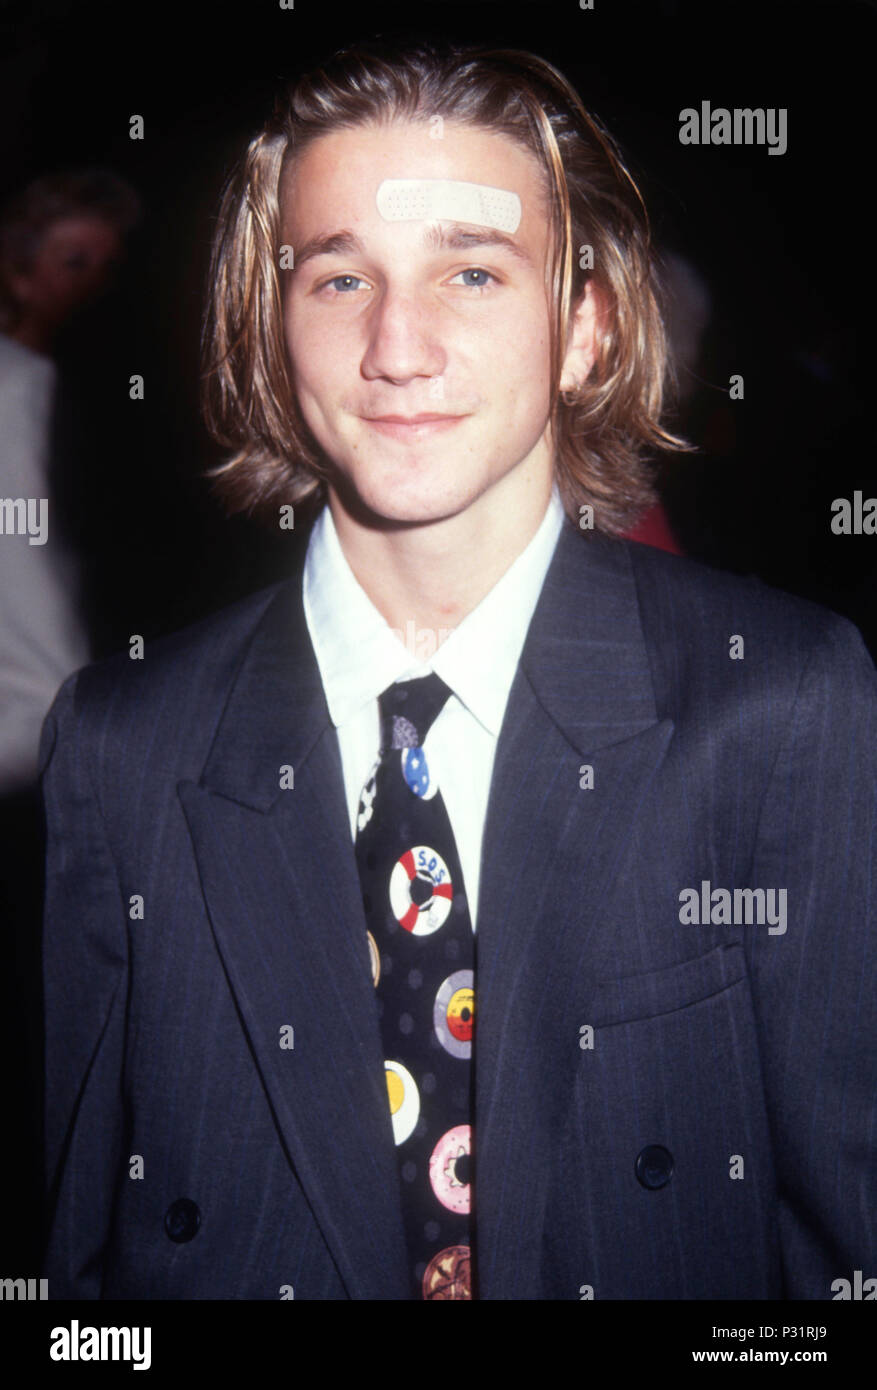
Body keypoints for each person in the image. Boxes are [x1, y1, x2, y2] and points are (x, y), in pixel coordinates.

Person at [40, 40, 877, 1301]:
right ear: (267, 333)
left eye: (472, 272)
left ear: (585, 327)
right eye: (337, 280)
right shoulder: (123, 747)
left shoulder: (778, 703)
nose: (397, 344)